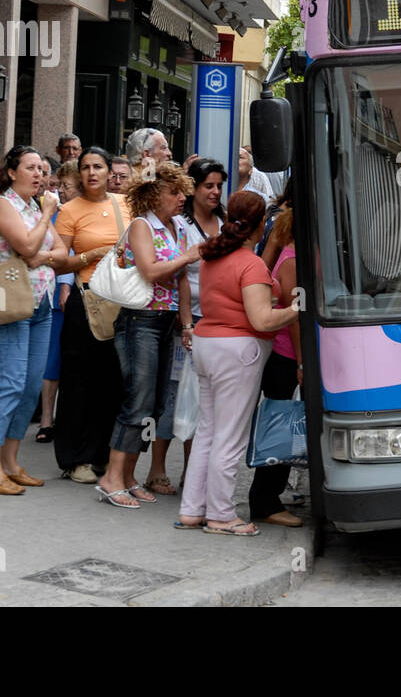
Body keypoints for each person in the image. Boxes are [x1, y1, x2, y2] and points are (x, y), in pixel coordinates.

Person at [175, 191, 297, 535]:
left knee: (208, 432)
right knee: (230, 437)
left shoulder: (213, 256)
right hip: (238, 351)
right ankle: (221, 515)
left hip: (206, 344)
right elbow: (261, 320)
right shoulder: (251, 264)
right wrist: (293, 311)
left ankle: (192, 510)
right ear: (261, 225)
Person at [95, 163, 200, 509]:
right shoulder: (142, 225)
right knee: (137, 399)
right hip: (140, 320)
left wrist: (186, 325)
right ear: (155, 196)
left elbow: (183, 280)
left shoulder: (177, 227)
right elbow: (151, 271)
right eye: (174, 192)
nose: (182, 198)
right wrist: (186, 256)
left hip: (166, 322)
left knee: (153, 404)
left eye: (183, 191)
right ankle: (112, 476)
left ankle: (129, 476)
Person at [0, 146, 67, 495]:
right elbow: (27, 247)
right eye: (31, 168)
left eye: (42, 170)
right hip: (11, 303)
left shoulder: (32, 206)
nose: (39, 175)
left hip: (41, 303)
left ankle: (11, 463)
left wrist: (41, 252)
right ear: (12, 172)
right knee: (9, 384)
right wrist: (45, 220)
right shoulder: (3, 204)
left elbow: (60, 252)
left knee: (31, 387)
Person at [146, 157, 228, 494]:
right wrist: (185, 325)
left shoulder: (224, 221)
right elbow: (178, 274)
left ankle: (191, 473)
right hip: (187, 319)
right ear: (192, 188)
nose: (215, 191)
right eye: (208, 185)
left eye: (219, 186)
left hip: (216, 319)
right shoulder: (182, 225)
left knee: (203, 399)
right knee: (172, 394)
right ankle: (156, 469)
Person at [52, 147, 129, 484]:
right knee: (78, 382)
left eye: (98, 166)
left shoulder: (124, 204)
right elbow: (59, 261)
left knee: (112, 382)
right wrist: (91, 254)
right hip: (86, 300)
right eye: (85, 167)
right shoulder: (68, 210)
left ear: (110, 171)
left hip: (122, 301)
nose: (92, 173)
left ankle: (101, 455)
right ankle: (74, 458)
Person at [248, 200, 303, 527]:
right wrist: (302, 363)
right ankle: (264, 502)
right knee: (281, 426)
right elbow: (294, 318)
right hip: (286, 356)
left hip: (286, 354)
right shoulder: (293, 261)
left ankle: (270, 497)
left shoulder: (292, 255)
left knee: (282, 424)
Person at [33, 162, 81, 439]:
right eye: (58, 185)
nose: (60, 190)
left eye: (66, 186)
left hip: (78, 292)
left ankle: (66, 420)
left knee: (72, 361)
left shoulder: (87, 212)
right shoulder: (53, 214)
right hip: (53, 294)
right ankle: (46, 421)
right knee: (51, 360)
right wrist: (62, 284)